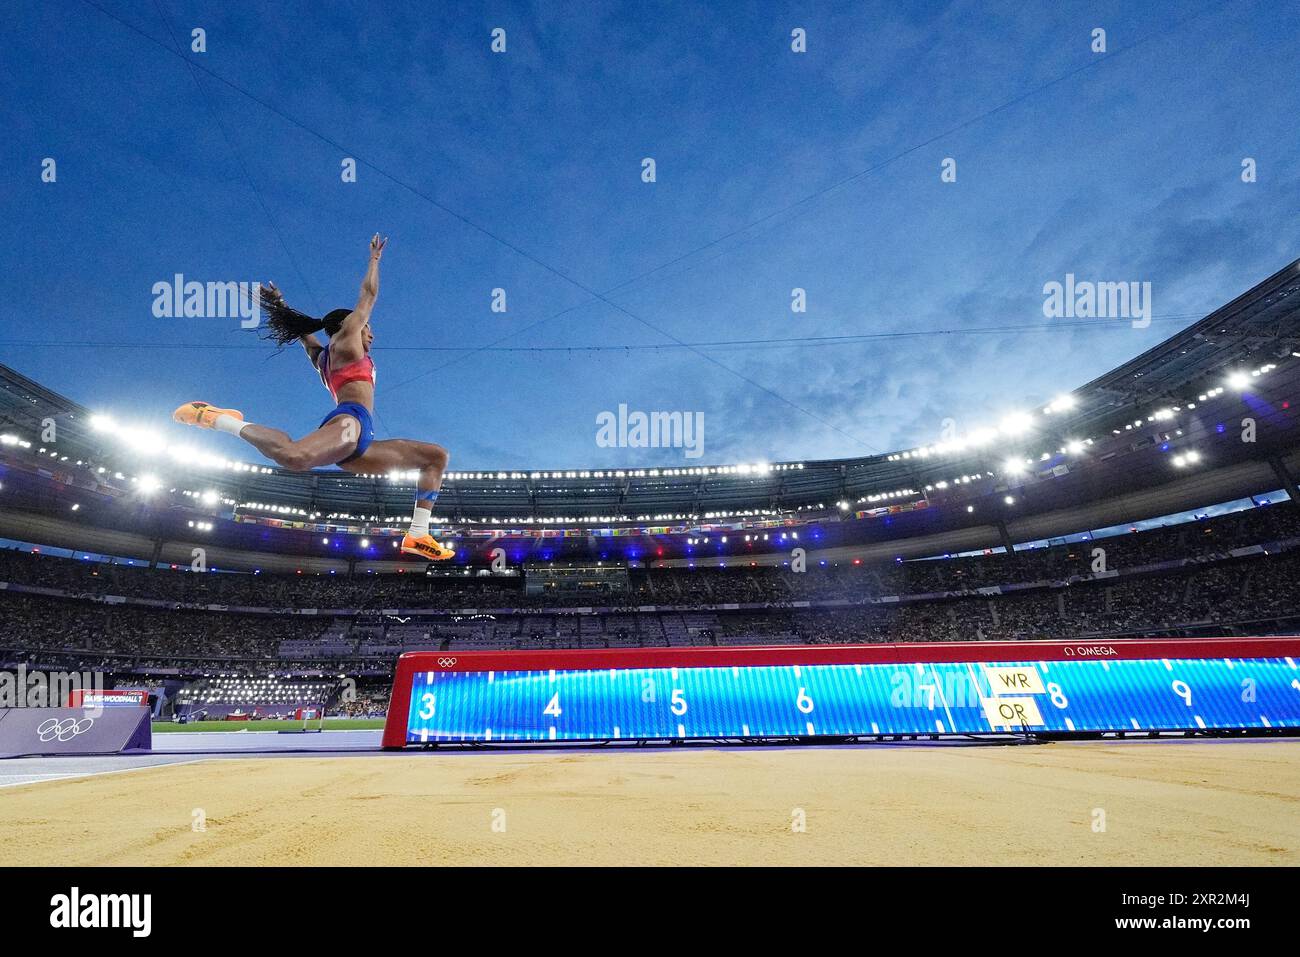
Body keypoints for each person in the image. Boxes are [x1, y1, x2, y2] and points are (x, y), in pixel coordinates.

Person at [172, 234, 454, 560]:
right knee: (295, 457)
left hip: (358, 441)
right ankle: (215, 417)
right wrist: (375, 260)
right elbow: (369, 294)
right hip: (350, 421)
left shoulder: (322, 356)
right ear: (349, 326)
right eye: (367, 327)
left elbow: (301, 334)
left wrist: (279, 305)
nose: (371, 333)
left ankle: (417, 534)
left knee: (436, 457)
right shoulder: (347, 341)